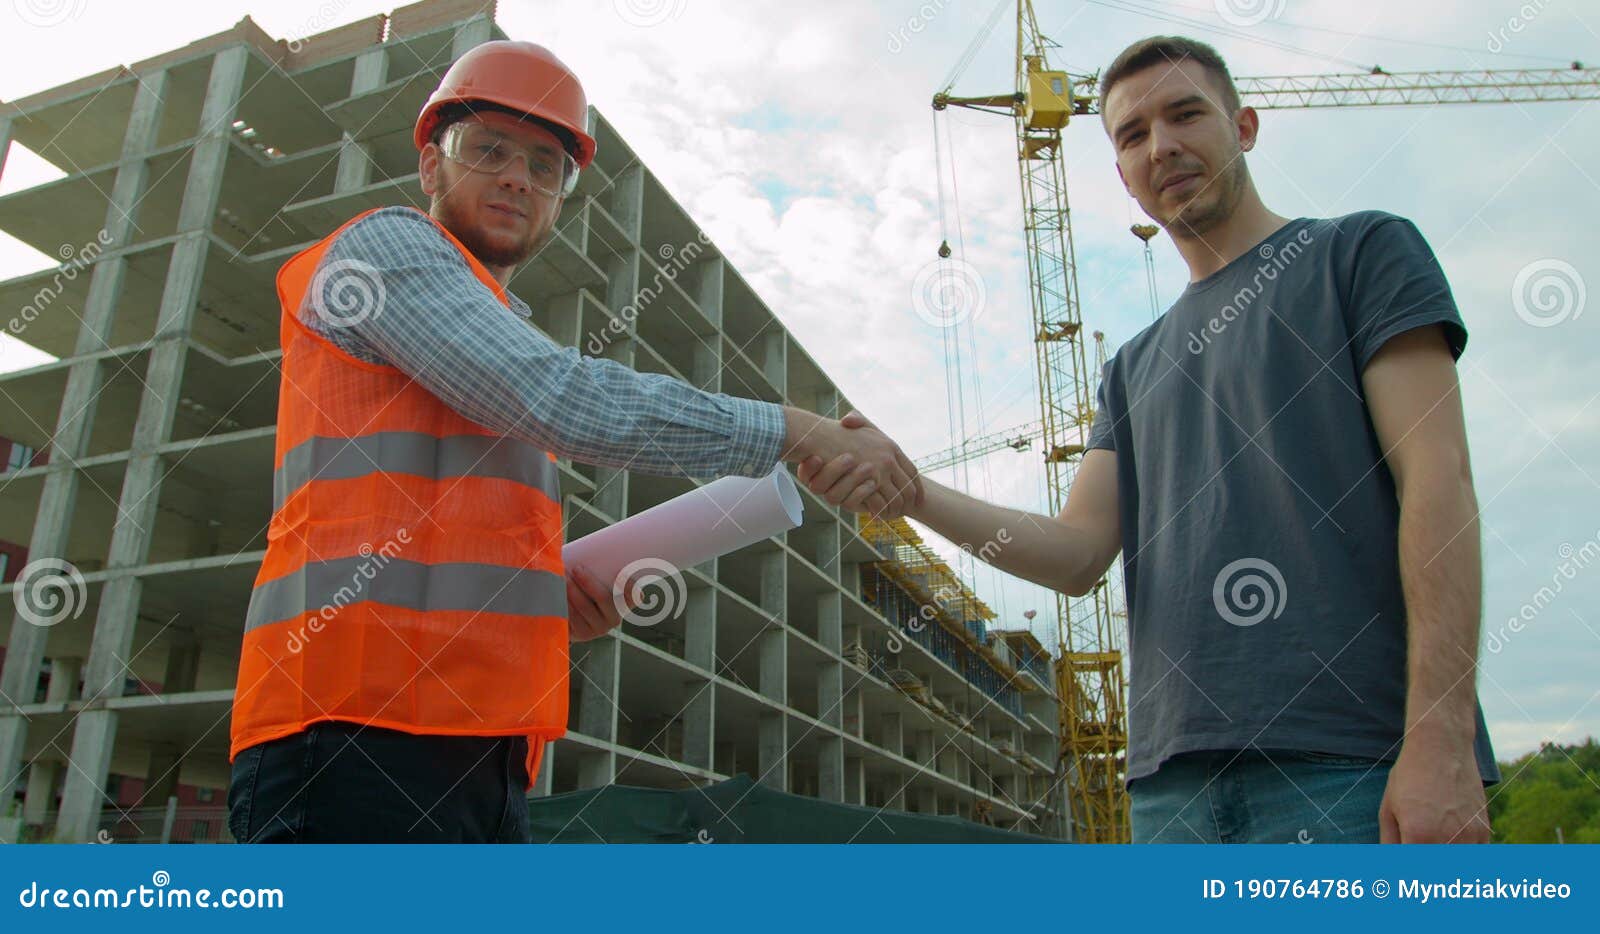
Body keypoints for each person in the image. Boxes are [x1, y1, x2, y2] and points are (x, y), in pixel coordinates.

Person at [800, 35, 1499, 844]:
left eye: (1184, 114)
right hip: (1169, 792)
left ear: (1243, 127)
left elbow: (1439, 480)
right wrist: (915, 492)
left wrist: (1440, 738)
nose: (1161, 145)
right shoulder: (1130, 368)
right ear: (1125, 178)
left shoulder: (1361, 252)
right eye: (1132, 135)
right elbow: (1074, 554)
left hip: (1351, 765)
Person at [226, 40, 922, 843]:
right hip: (347, 734)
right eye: (487, 149)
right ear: (429, 167)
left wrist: (540, 600)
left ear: (560, 197)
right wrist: (791, 430)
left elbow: (437, 538)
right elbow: (557, 396)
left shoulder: (490, 331)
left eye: (546, 165)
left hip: (478, 750)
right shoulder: (386, 249)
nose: (519, 177)